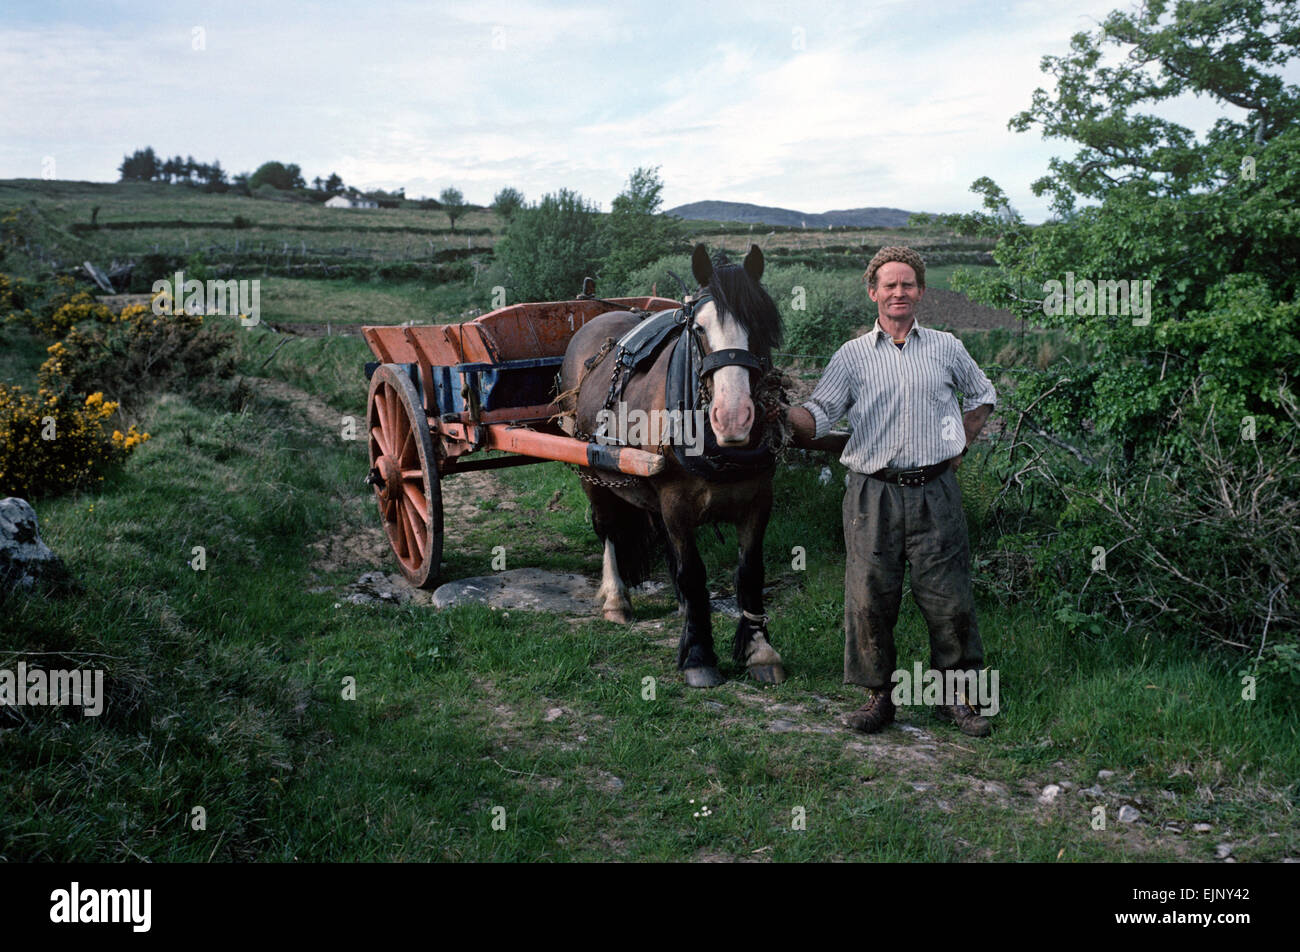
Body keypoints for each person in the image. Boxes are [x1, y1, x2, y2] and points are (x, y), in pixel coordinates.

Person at [785, 246, 996, 736]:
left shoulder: (946, 347)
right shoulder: (852, 356)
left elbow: (983, 394)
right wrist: (784, 416)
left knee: (949, 598)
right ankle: (878, 698)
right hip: (871, 495)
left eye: (908, 283)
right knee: (869, 597)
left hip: (936, 492)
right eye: (889, 284)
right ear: (872, 292)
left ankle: (956, 698)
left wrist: (961, 439)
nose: (898, 292)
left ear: (920, 291)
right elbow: (820, 413)